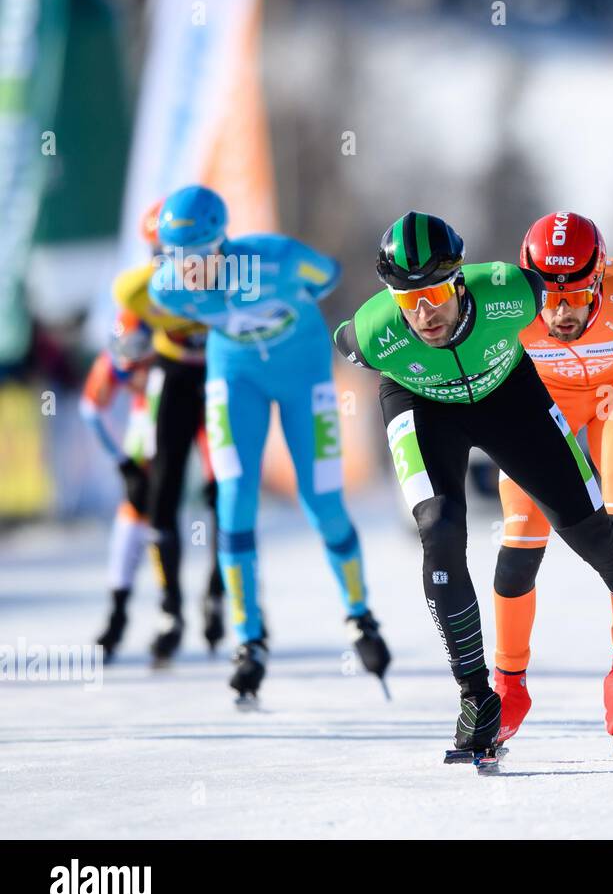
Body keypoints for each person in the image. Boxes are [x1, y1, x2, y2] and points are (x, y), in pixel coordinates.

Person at [333, 212, 613, 766]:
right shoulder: (370, 334)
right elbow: (341, 344)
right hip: (423, 404)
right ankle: (477, 696)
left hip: (515, 398)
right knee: (440, 530)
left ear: (461, 280)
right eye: (408, 300)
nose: (425, 313)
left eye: (435, 292)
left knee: (597, 532)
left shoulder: (516, 292)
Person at [148, 184, 389, 704]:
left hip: (304, 376)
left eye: (198, 256)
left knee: (322, 501)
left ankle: (358, 612)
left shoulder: (275, 259)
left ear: (222, 244)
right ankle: (248, 638)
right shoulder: (167, 289)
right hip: (235, 379)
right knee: (234, 499)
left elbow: (330, 276)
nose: (187, 268)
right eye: (176, 257)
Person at [492, 211, 613, 755]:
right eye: (548, 298)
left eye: (575, 295)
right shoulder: (506, 305)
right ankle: (508, 687)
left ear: (600, 280)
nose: (560, 311)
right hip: (544, 397)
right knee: (520, 539)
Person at [111, 199, 225, 662]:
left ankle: (218, 591)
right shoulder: (143, 287)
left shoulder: (227, 270)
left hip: (218, 376)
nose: (174, 263)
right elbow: (121, 356)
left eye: (180, 250)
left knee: (224, 491)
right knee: (163, 493)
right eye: (160, 251)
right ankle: (171, 606)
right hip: (175, 377)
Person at [81, 313, 158, 660]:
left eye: (137, 349)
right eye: (123, 349)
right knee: (135, 513)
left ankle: (206, 600)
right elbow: (90, 410)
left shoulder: (165, 353)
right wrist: (123, 462)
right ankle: (117, 612)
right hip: (148, 429)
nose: (130, 359)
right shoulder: (113, 363)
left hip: (185, 420)